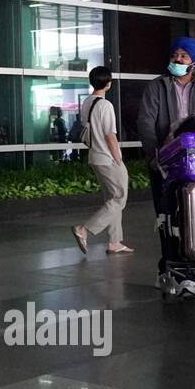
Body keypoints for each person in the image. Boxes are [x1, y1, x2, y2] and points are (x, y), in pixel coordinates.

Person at [137, 36, 195, 296]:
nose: (177, 59)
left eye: (183, 56)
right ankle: (168, 269)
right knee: (165, 217)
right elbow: (146, 122)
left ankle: (186, 274)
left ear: (194, 62)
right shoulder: (157, 87)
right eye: (175, 55)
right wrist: (154, 156)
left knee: (192, 218)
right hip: (164, 163)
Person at [72, 67, 132, 256]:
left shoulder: (87, 103)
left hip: (94, 157)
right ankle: (85, 229)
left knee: (111, 199)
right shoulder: (106, 105)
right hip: (107, 158)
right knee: (119, 198)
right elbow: (110, 136)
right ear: (108, 83)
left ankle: (115, 242)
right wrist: (118, 158)